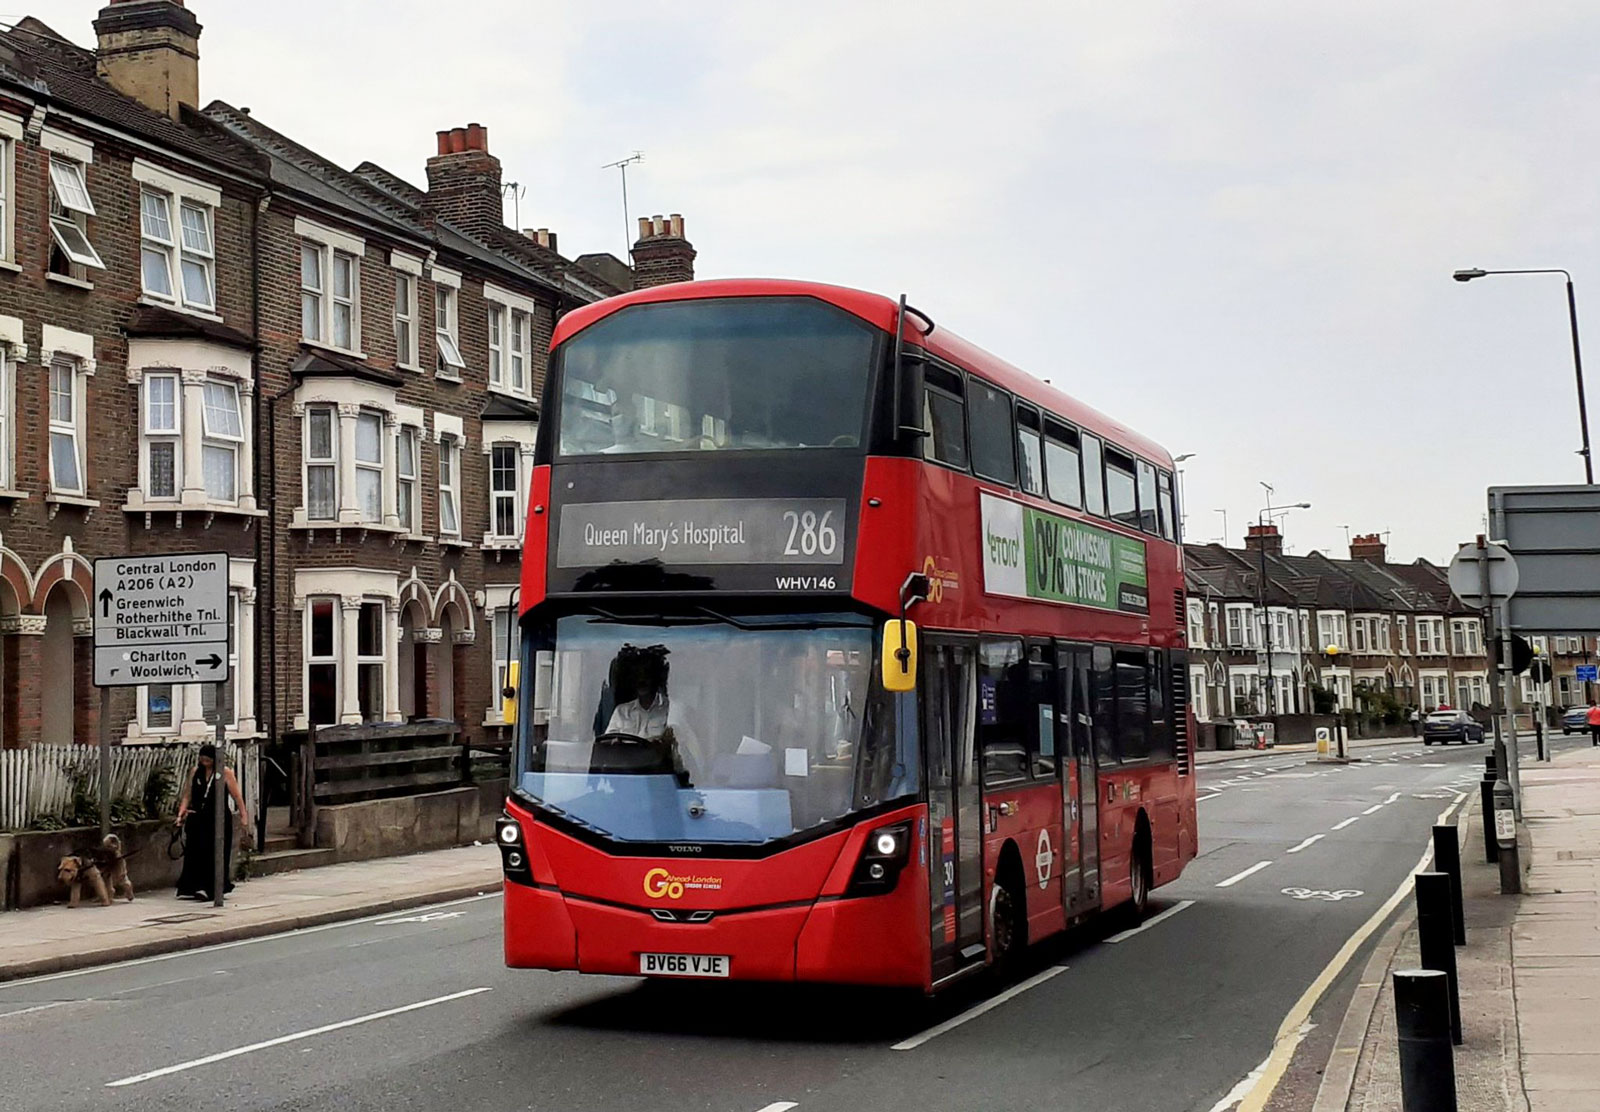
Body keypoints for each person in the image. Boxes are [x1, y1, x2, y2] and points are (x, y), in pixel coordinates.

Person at [174, 743, 250, 900]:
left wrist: (243, 816)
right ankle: (193, 886)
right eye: (202, 759)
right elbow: (187, 794)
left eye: (208, 759)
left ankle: (211, 887)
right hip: (197, 819)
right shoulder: (195, 772)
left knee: (214, 852)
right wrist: (181, 813)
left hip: (218, 819)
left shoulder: (225, 773)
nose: (205, 762)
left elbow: (236, 796)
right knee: (195, 853)